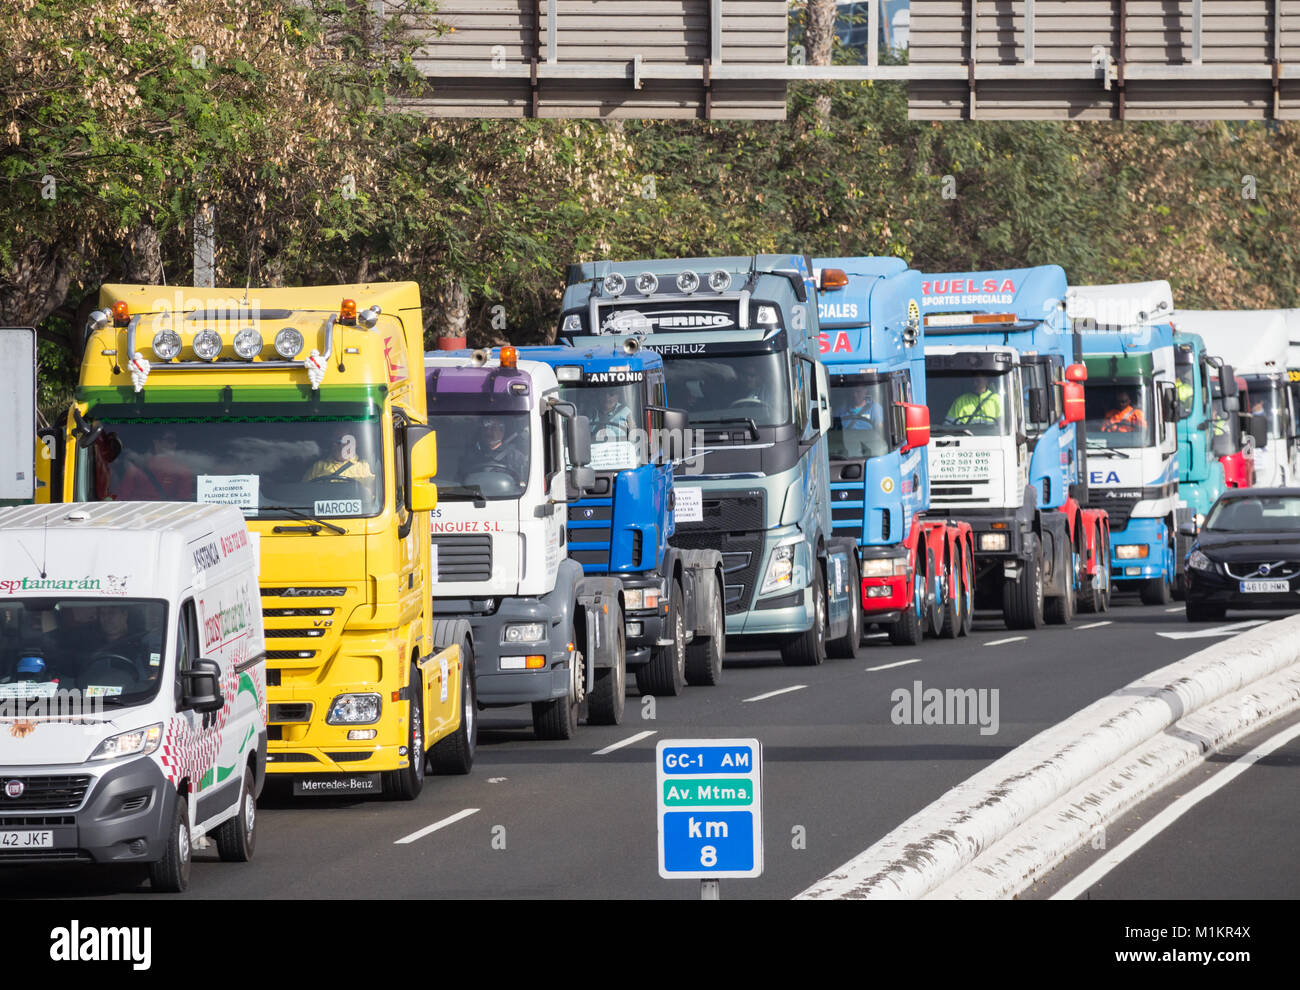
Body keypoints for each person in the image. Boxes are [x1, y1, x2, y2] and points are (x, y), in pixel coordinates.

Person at [113, 429, 194, 500]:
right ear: (156, 442)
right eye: (170, 440)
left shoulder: (134, 469)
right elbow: (184, 502)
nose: (175, 444)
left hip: (137, 515)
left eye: (176, 441)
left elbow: (121, 498)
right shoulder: (183, 470)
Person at [304, 425, 377, 488]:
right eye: (333, 441)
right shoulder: (318, 466)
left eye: (339, 441)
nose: (334, 444)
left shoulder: (365, 467)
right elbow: (303, 492)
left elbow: (372, 497)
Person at [469, 417, 528, 484]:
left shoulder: (516, 457)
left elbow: (524, 483)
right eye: (486, 428)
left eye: (493, 428)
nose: (488, 432)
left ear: (502, 432)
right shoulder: (471, 454)